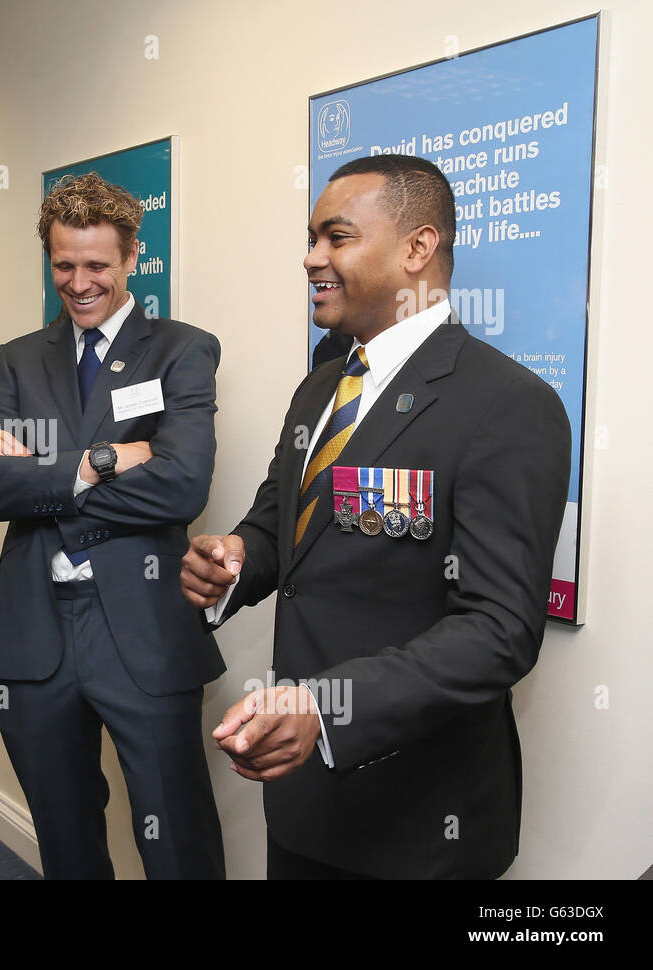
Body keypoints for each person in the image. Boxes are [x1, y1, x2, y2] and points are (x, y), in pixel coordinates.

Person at [180, 154, 570, 879]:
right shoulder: (322, 385)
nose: (310, 258)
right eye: (311, 238)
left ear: (418, 249)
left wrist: (327, 711)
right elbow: (280, 520)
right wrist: (234, 560)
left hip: (416, 826)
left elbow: (498, 630)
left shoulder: (507, 405)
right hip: (298, 800)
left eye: (336, 237)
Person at [0, 173, 226, 879]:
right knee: (66, 836)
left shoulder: (180, 350)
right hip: (35, 631)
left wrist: (42, 479)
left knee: (177, 837)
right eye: (64, 265)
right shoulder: (17, 360)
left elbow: (180, 485)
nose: (79, 283)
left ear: (133, 256)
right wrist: (99, 463)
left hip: (141, 627)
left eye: (98, 266)